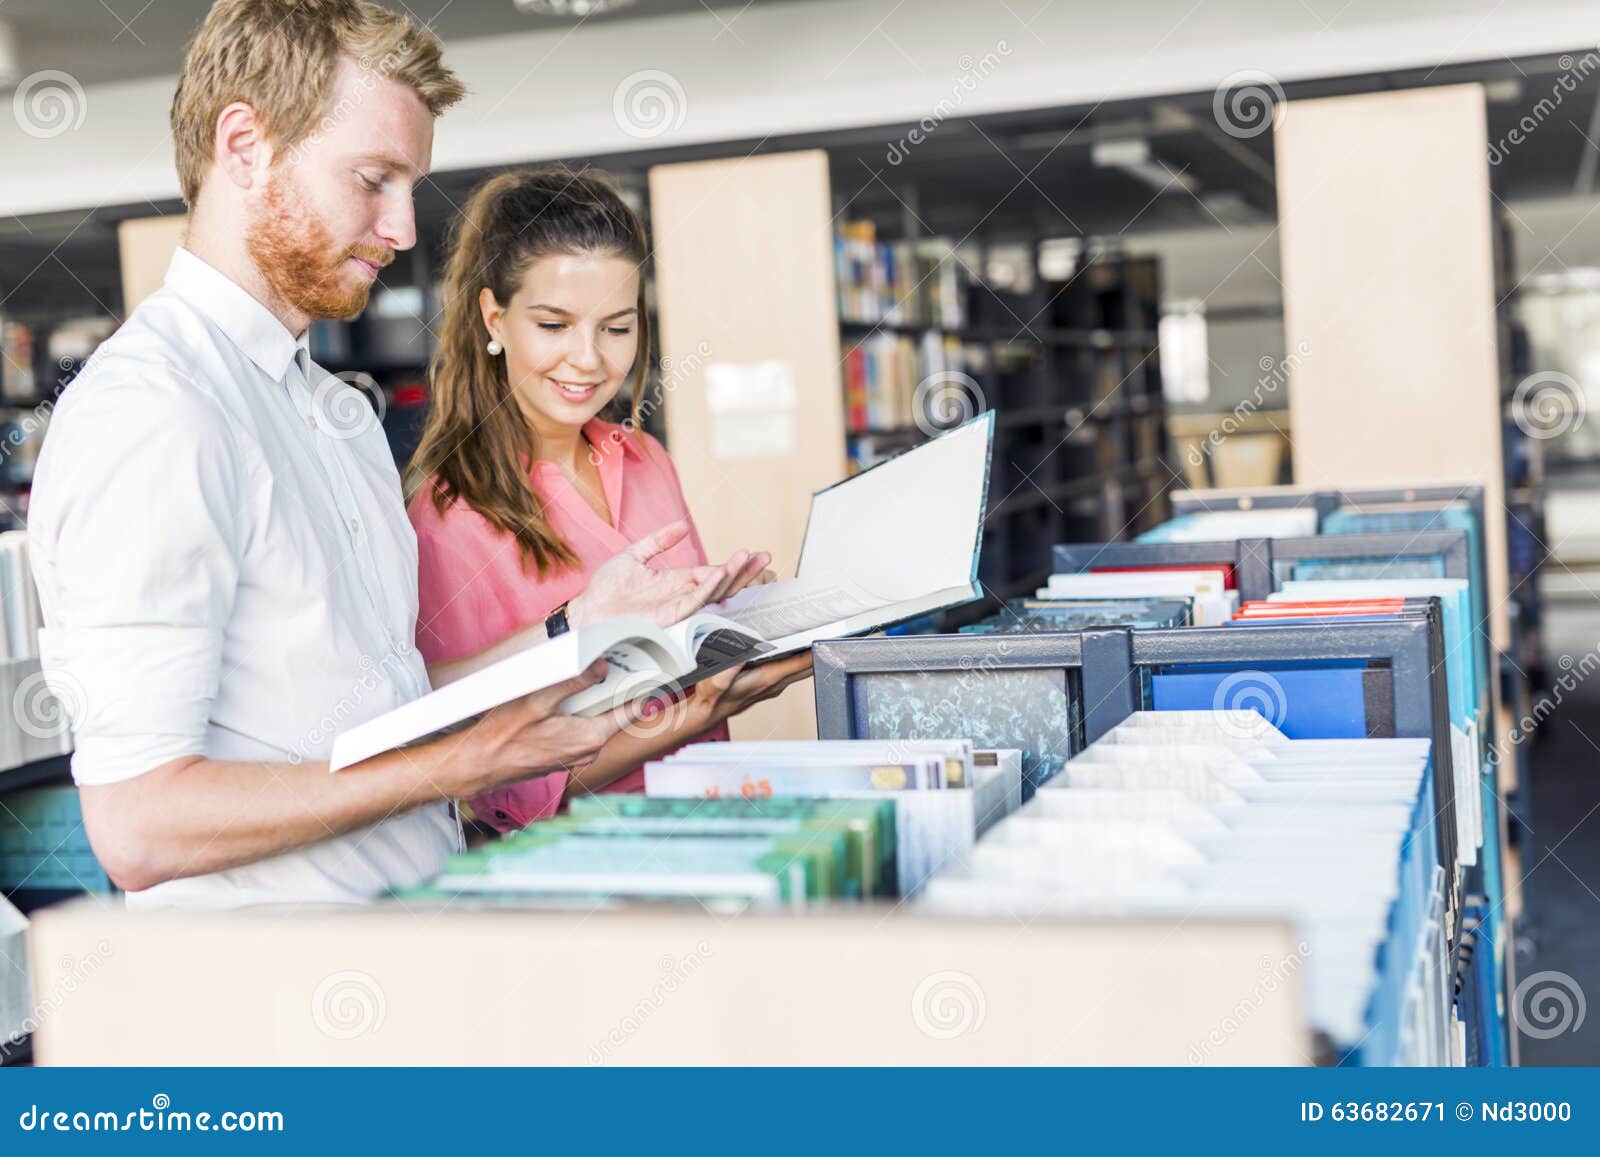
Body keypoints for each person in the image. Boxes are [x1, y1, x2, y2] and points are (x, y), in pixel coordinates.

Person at [26, 0, 764, 908]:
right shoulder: (152, 411)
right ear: (245, 146)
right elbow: (140, 825)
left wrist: (574, 626)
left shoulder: (332, 414)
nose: (405, 228)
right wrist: (460, 764)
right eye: (373, 179)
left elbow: (383, 702)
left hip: (402, 947)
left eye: (410, 186)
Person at [407, 167, 813, 831]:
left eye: (615, 328)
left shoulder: (646, 459)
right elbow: (498, 784)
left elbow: (688, 640)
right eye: (554, 324)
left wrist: (741, 610)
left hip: (714, 825)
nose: (588, 359)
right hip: (588, 877)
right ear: (495, 318)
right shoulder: (449, 518)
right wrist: (698, 708)